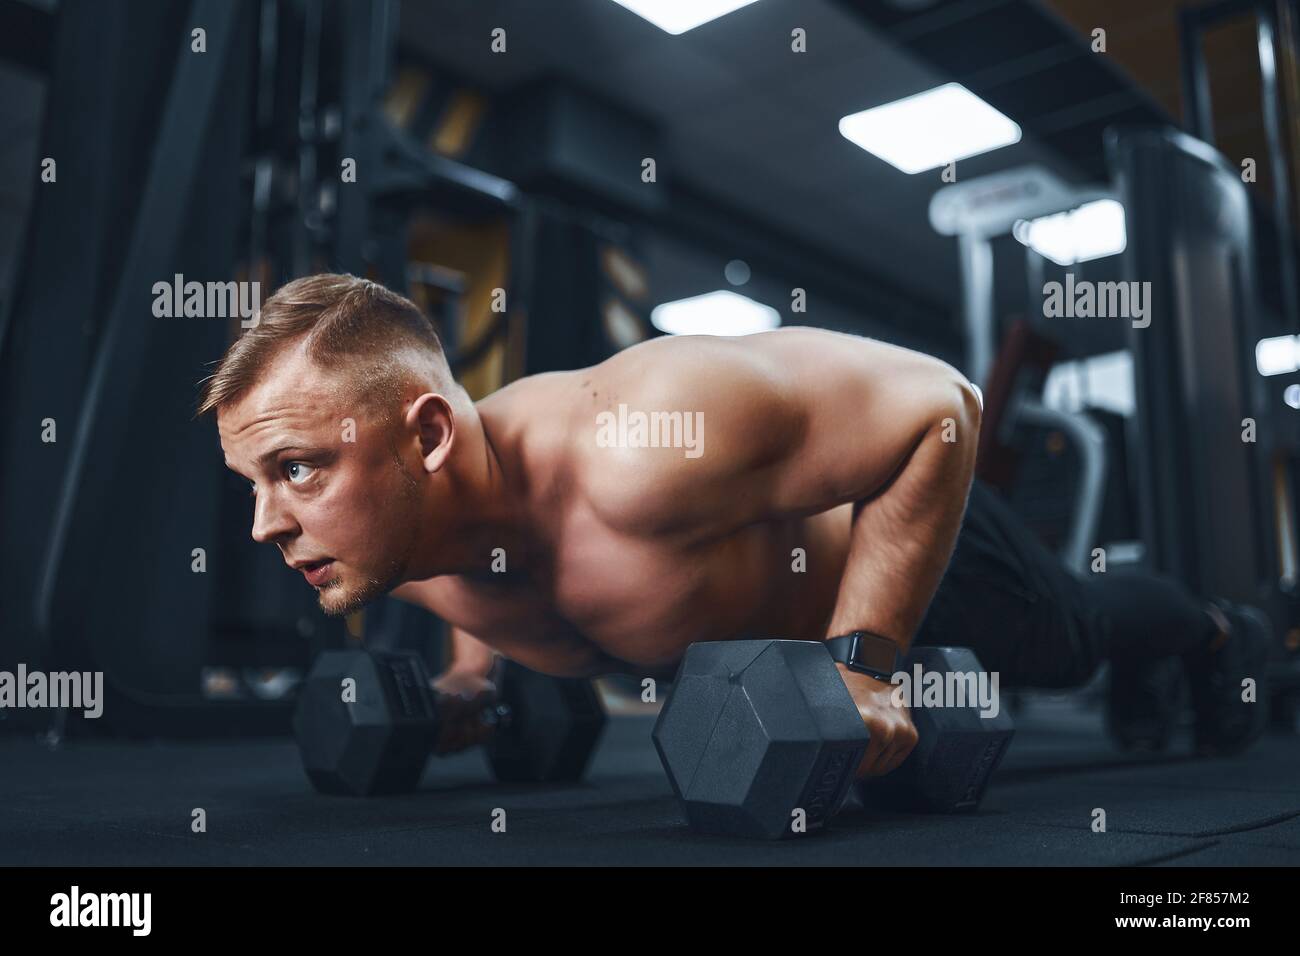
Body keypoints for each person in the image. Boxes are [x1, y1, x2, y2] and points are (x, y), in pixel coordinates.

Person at [199, 274, 1270, 774]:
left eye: (294, 469)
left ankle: (1223, 632)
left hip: (902, 559)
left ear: (429, 437)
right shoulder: (392, 536)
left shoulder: (641, 443)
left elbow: (942, 410)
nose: (263, 524)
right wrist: (471, 680)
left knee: (1068, 637)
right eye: (254, 480)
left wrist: (861, 661)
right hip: (777, 645)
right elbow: (474, 570)